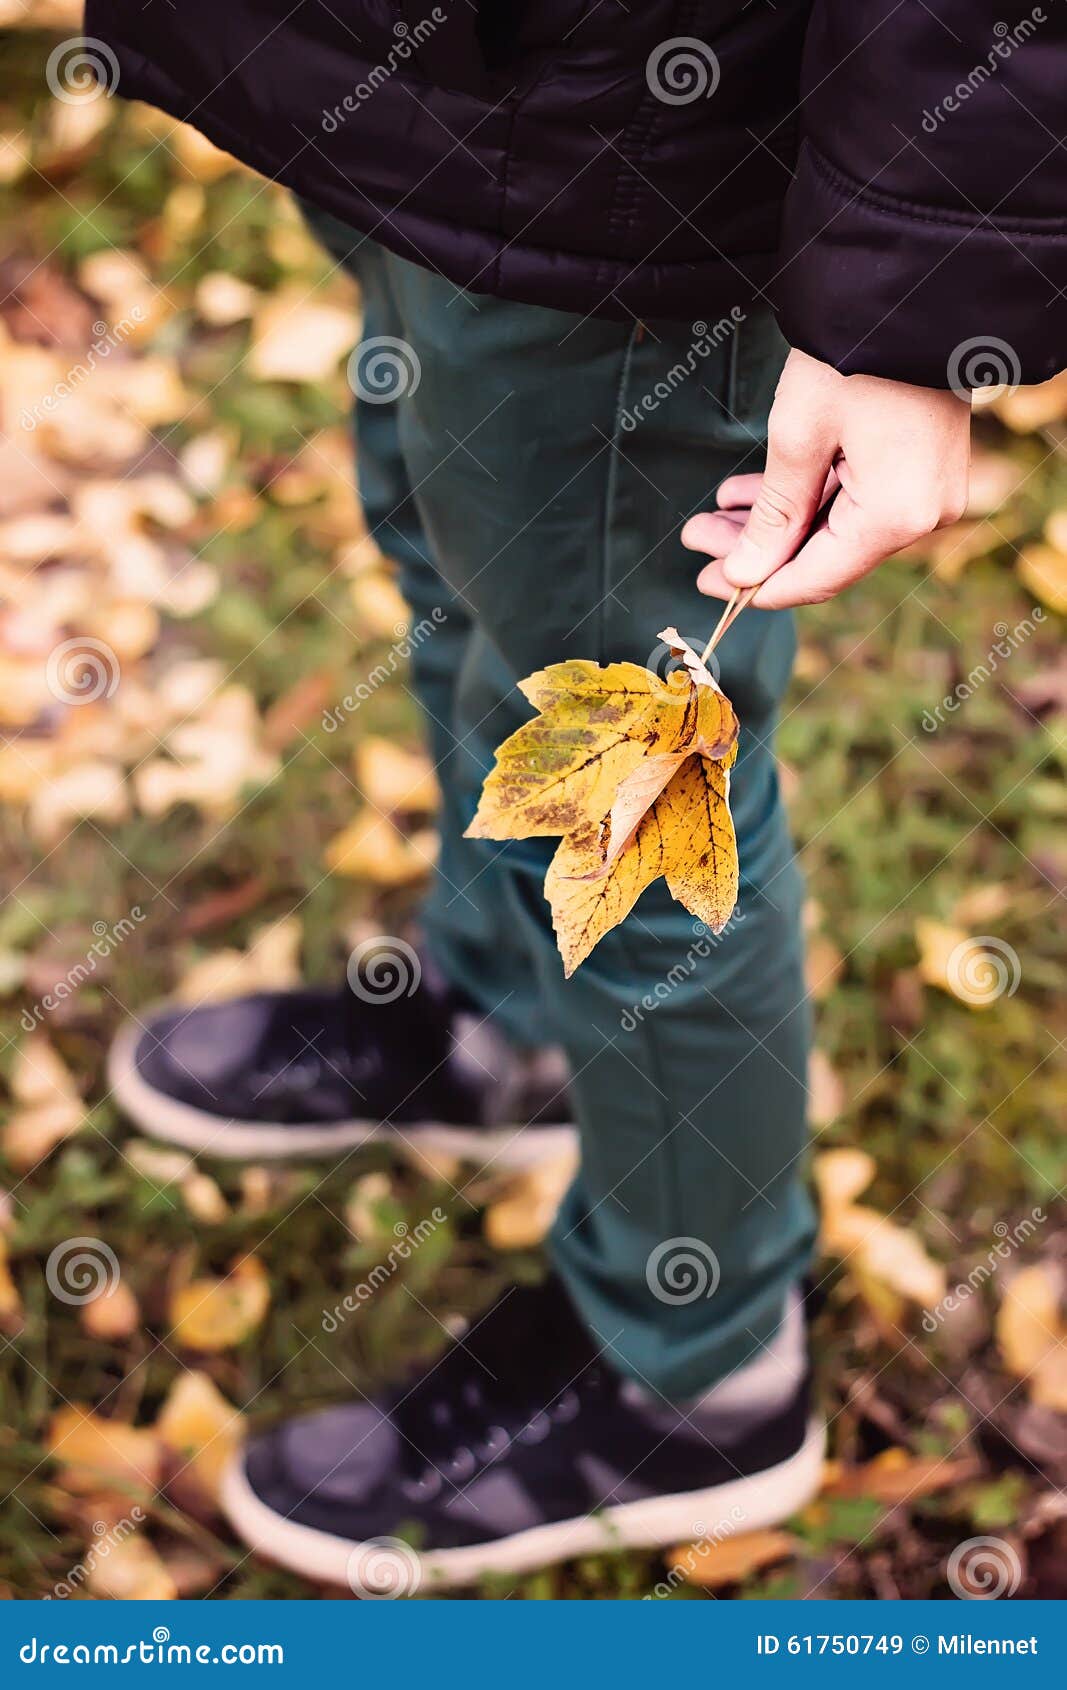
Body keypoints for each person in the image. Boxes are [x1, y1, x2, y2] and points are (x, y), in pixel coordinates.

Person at [90, 2, 1064, 1589]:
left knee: (625, 758)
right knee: (468, 577)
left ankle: (698, 1362)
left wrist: (911, 294)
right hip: (420, 97)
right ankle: (511, 1022)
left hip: (636, 143)